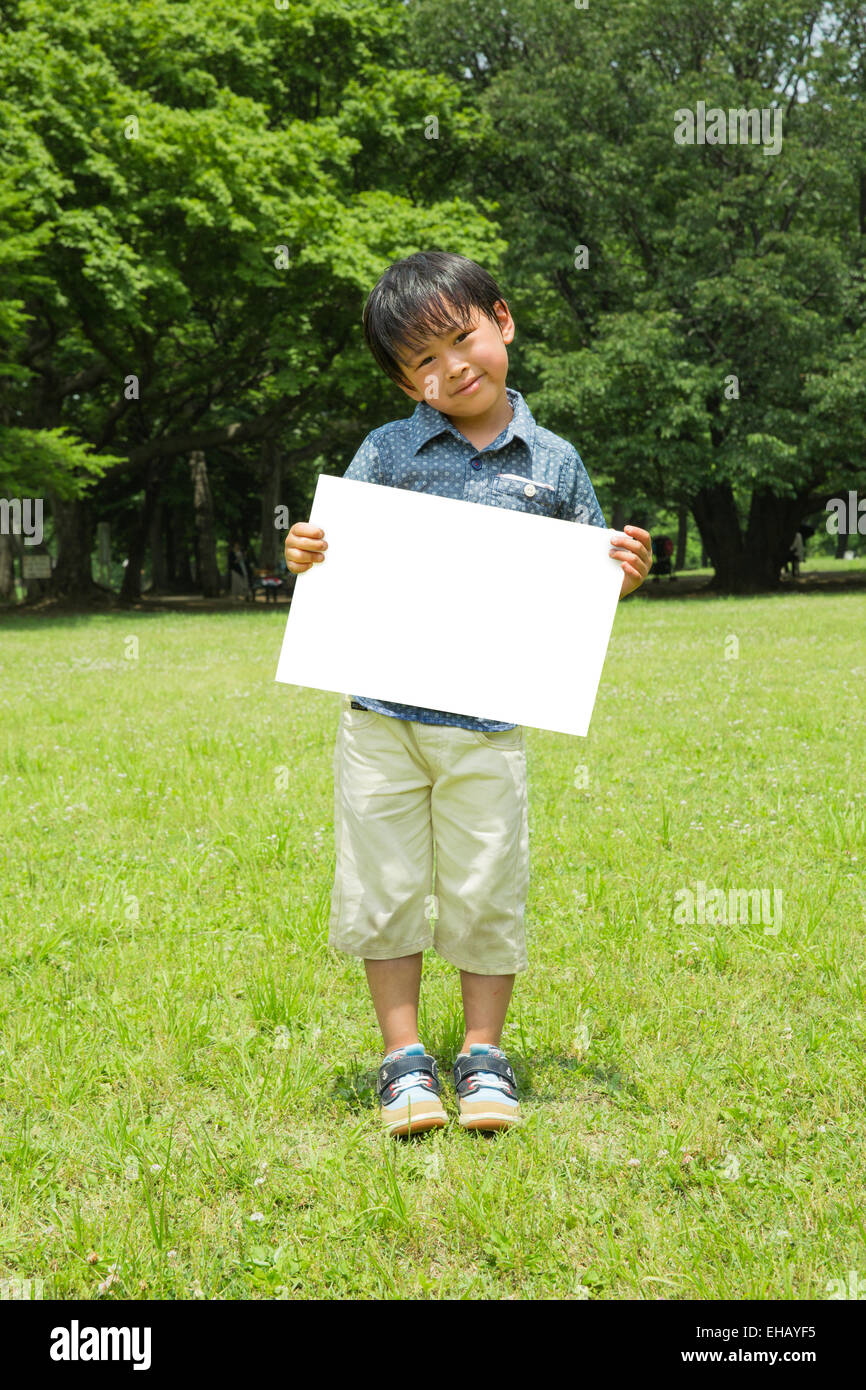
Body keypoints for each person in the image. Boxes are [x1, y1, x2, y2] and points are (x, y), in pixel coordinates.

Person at [284, 252, 652, 1139]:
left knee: (488, 889)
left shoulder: (554, 463)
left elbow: (585, 578)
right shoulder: (388, 451)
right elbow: (336, 552)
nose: (452, 368)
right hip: (383, 717)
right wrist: (307, 555)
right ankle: (402, 1060)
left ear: (503, 322)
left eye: (463, 338)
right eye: (423, 361)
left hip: (490, 723)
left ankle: (484, 1054)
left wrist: (623, 575)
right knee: (385, 886)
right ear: (404, 381)